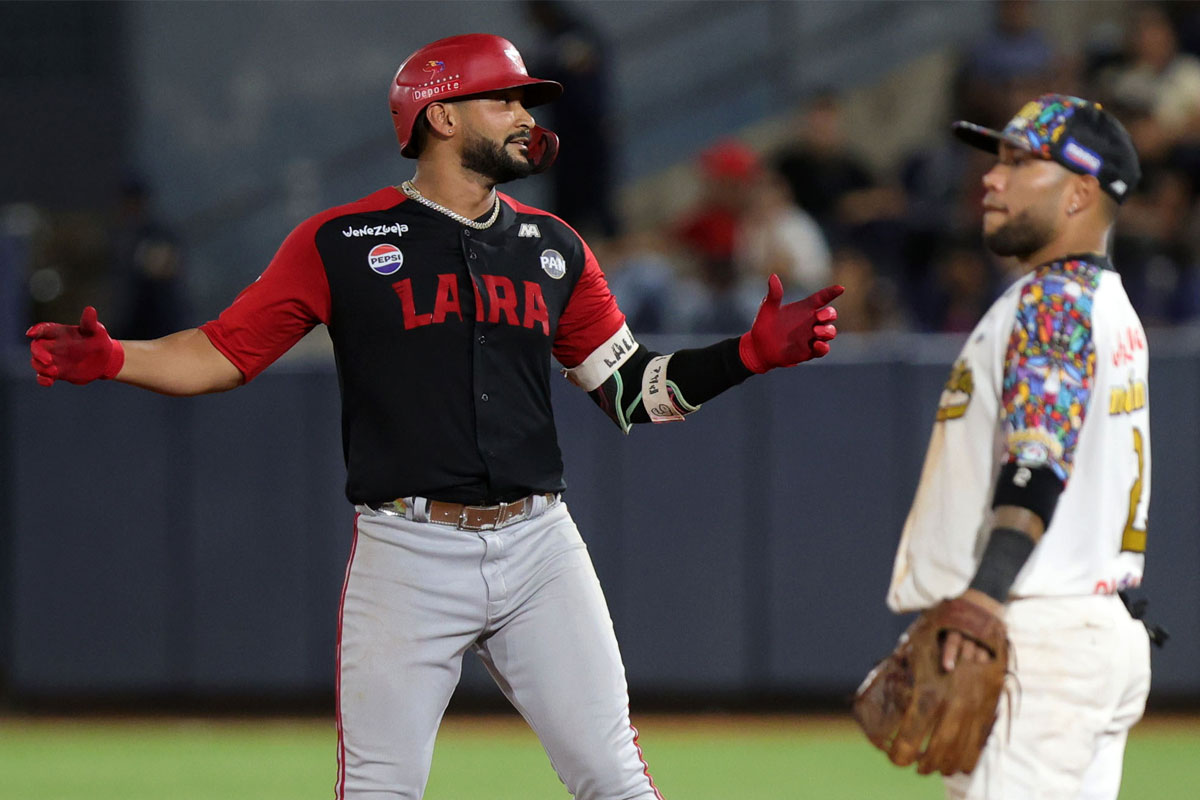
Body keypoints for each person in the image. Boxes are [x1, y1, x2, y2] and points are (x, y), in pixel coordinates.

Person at [26, 34, 842, 800]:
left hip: (538, 546)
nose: (527, 118)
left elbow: (632, 393)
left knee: (616, 778)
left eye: (529, 103)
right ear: (441, 116)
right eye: (507, 101)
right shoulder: (342, 241)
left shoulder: (553, 246)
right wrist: (115, 358)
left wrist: (746, 356)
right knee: (380, 790)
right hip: (407, 552)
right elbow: (222, 352)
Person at [885, 93, 1156, 799]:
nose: (991, 178)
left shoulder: (1053, 303)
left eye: (1018, 161)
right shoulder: (1105, 303)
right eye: (995, 159)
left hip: (1039, 636)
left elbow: (1038, 463)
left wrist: (981, 598)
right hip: (1093, 625)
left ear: (1079, 193)